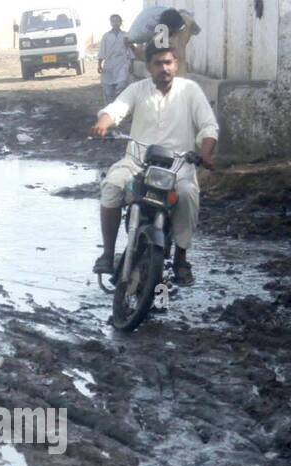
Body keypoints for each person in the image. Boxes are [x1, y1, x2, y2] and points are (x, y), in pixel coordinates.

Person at [90, 43, 218, 286]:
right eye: (158, 63)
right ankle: (107, 254)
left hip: (178, 166)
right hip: (137, 162)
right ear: (149, 67)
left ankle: (181, 258)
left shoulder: (190, 90)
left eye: (168, 63)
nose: (164, 68)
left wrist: (206, 152)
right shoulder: (137, 89)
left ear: (176, 65)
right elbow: (116, 109)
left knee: (188, 193)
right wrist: (104, 124)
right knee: (112, 185)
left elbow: (208, 126)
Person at [126, 6, 201, 78]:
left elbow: (194, 28)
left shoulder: (182, 29)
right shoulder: (158, 40)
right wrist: (132, 47)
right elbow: (145, 56)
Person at [98, 14, 134, 104]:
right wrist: (99, 64)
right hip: (109, 65)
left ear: (120, 22)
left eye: (117, 21)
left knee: (121, 86)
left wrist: (132, 65)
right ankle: (110, 111)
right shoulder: (106, 36)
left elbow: (130, 50)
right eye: (113, 21)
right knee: (108, 90)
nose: (115, 23)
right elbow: (102, 51)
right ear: (110, 23)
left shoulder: (126, 35)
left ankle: (121, 109)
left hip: (123, 63)